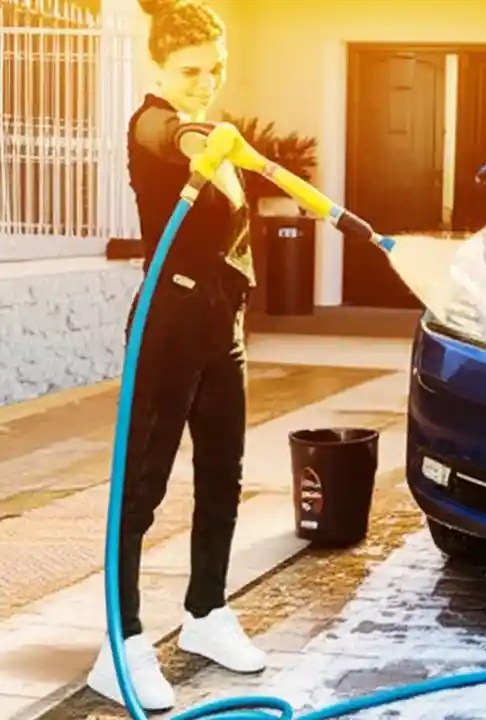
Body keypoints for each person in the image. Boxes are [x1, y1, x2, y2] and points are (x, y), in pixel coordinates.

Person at [85, 0, 264, 710]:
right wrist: (199, 135)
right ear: (158, 67)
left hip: (221, 328)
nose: (205, 82)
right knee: (142, 489)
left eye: (215, 69)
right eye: (191, 71)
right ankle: (120, 643)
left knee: (223, 476)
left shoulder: (220, 136)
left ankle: (206, 613)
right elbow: (173, 136)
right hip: (167, 328)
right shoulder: (154, 125)